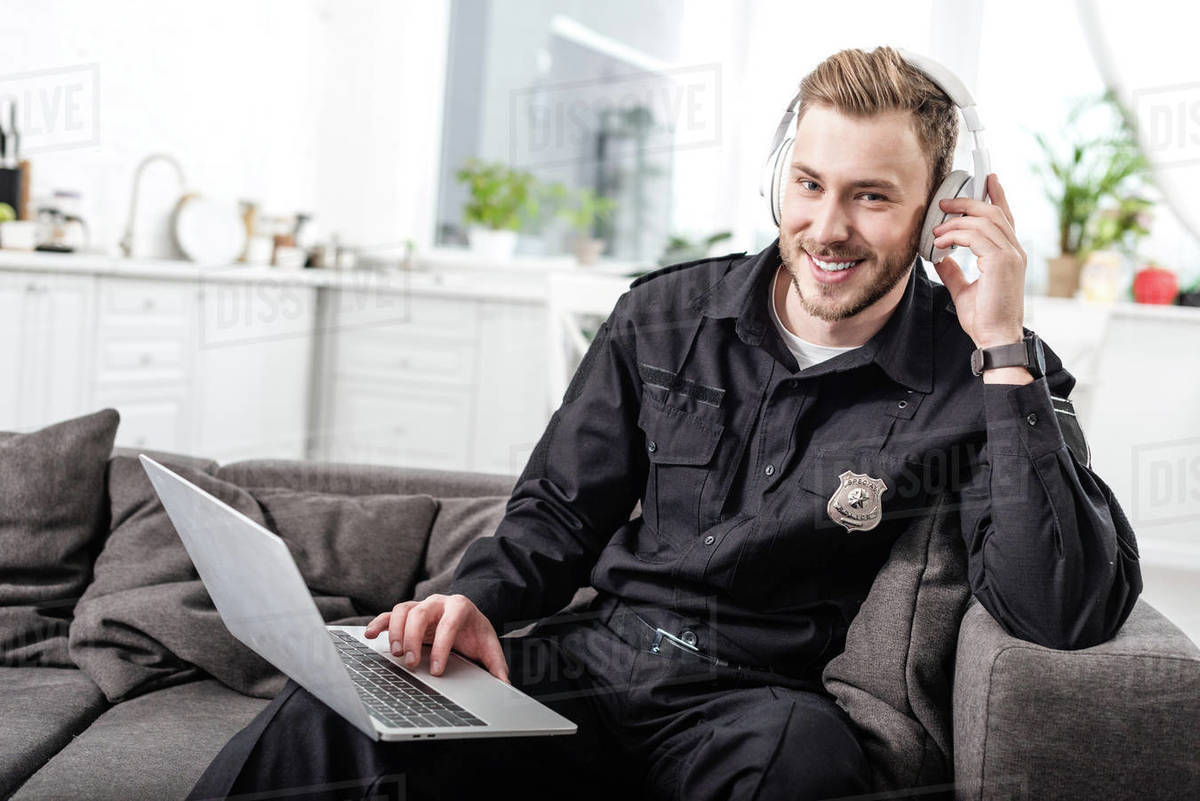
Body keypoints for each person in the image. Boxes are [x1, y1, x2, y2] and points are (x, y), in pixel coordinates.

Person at [187, 46, 1141, 801]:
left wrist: (1003, 344)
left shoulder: (981, 368)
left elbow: (1058, 606)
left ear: (943, 209)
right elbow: (557, 512)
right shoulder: (663, 315)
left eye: (873, 196)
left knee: (801, 772)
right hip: (595, 654)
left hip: (762, 701)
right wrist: (475, 599)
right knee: (345, 705)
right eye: (809, 183)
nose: (827, 226)